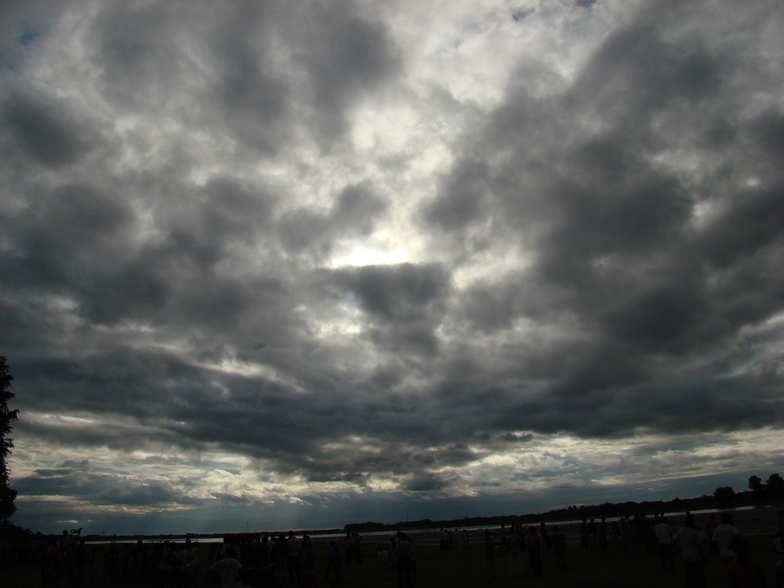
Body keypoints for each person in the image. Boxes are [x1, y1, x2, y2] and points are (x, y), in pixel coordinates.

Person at [675, 514, 706, 588]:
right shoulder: (694, 532)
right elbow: (698, 546)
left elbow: (674, 541)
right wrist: (702, 557)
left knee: (688, 575)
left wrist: (679, 550)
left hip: (686, 556)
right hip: (695, 557)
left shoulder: (680, 531)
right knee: (698, 575)